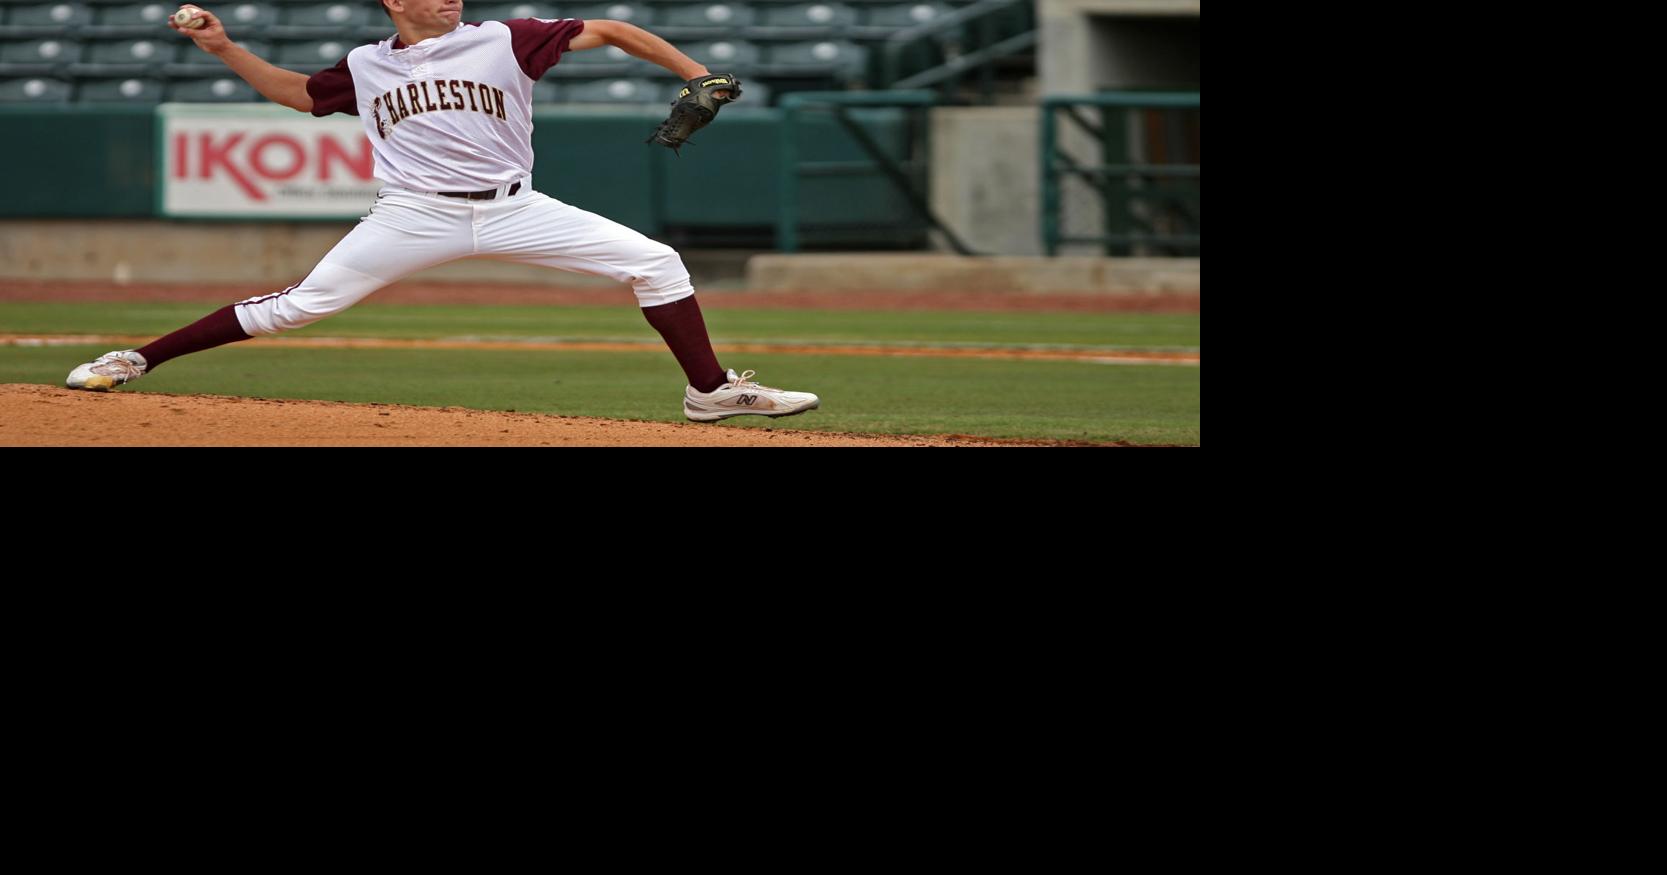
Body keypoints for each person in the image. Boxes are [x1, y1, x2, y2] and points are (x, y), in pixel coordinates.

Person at [65, 0, 820, 424]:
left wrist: (698, 74)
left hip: (516, 208)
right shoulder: (366, 64)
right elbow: (298, 95)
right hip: (412, 214)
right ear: (395, 2)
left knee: (655, 262)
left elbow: (614, 29)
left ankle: (708, 391)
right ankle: (134, 359)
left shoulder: (504, 40)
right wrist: (225, 47)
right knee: (299, 306)